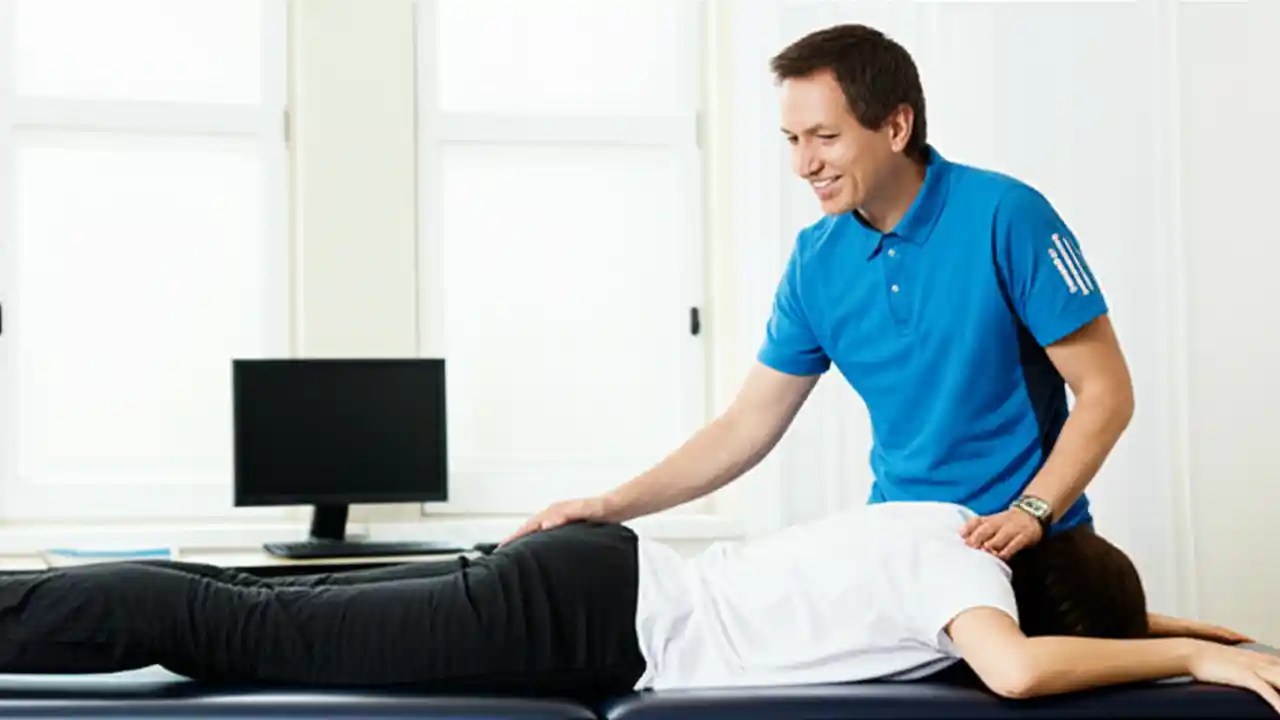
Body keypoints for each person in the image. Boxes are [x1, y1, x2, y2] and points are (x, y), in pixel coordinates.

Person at [505, 23, 1136, 562]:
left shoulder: (1006, 215)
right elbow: (746, 425)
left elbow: (1106, 391)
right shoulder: (817, 260)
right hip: (901, 544)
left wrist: (1031, 510)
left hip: (1031, 545)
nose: (803, 164)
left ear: (895, 127)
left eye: (824, 137)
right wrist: (610, 506)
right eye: (792, 140)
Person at [0, 502, 1276, 711]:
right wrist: (1183, 658)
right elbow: (1013, 676)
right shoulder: (969, 586)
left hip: (594, 579)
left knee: (237, 603)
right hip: (576, 626)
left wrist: (1189, 626)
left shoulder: (942, 517)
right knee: (232, 627)